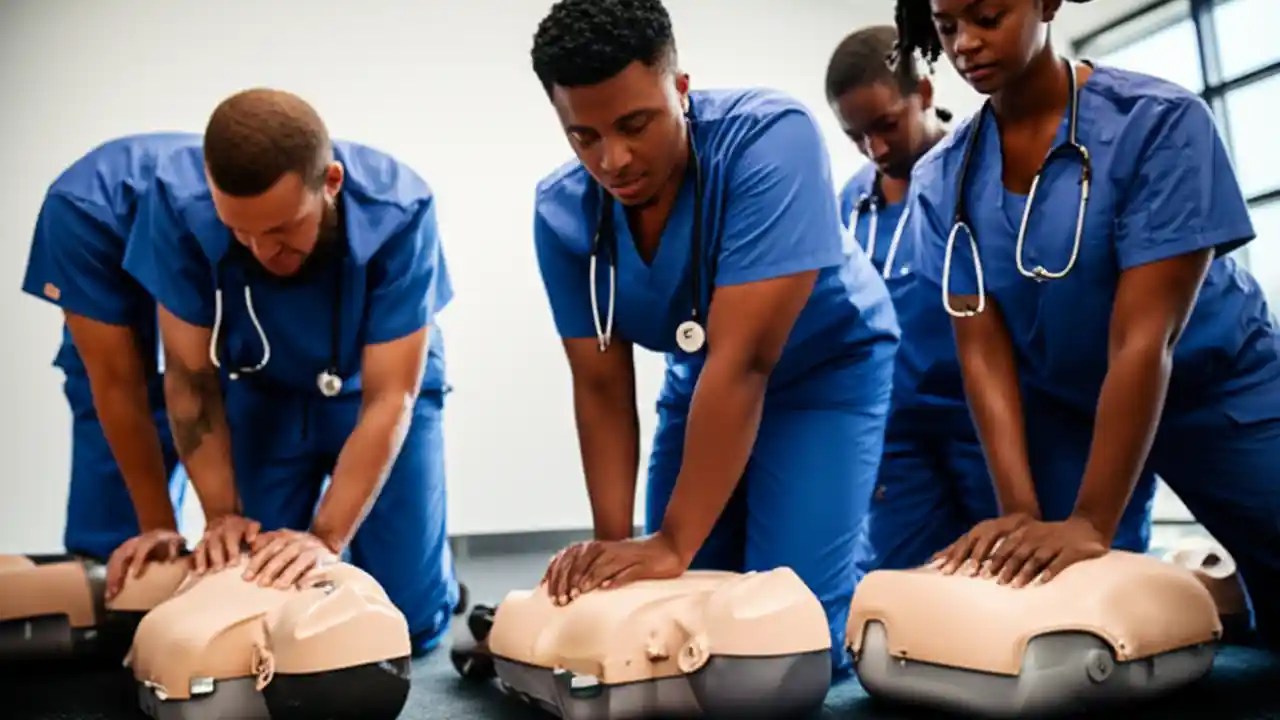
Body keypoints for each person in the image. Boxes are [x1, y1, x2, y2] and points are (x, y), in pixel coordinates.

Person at [527, 0, 901, 675]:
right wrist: (611, 551)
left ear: (680, 88)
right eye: (583, 136)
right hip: (701, 378)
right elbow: (602, 386)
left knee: (788, 633)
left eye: (634, 124)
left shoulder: (770, 139)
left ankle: (857, 573)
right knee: (665, 615)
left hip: (824, 371)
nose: (612, 159)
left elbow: (747, 360)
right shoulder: (560, 213)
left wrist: (670, 540)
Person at [896, 0, 1280, 649]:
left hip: (1215, 389)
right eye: (947, 24)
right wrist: (1019, 509)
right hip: (1066, 407)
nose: (965, 43)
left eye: (987, 15)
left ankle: (1236, 601)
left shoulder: (1158, 123)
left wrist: (1091, 520)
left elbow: (1144, 339)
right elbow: (981, 349)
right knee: (1056, 619)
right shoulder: (942, 178)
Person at [121, 88, 462, 655]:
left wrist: (326, 538)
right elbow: (188, 379)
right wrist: (221, 515)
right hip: (266, 388)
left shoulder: (401, 208)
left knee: (410, 622)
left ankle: (416, 573)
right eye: (239, 232)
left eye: (280, 230)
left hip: (376, 393)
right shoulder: (177, 202)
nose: (259, 250)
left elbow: (390, 398)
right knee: (252, 575)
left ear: (330, 182)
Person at [825, 25, 1156, 580]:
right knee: (914, 588)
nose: (875, 149)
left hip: (1000, 417)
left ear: (925, 94)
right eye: (856, 136)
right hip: (901, 431)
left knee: (1037, 576)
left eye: (885, 125)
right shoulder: (851, 204)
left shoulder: (974, 175)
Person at [21, 133, 198, 600]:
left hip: (232, 351)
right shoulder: (81, 207)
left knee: (265, 539)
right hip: (118, 321)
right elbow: (116, 385)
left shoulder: (236, 210)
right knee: (123, 561)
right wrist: (158, 527)